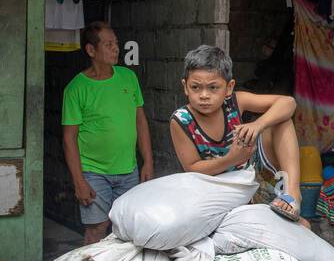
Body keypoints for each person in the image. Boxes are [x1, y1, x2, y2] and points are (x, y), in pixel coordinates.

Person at [170, 45, 306, 224]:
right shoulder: (181, 120)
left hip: (250, 182)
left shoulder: (235, 101)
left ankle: (292, 192)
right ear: (185, 87)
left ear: (228, 87)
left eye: (213, 88)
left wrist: (258, 125)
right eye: (196, 87)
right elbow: (192, 168)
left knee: (281, 119)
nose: (204, 95)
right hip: (215, 192)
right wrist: (231, 159)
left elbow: (288, 103)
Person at [62, 21, 153, 244]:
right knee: (97, 227)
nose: (116, 49)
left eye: (116, 44)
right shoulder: (76, 88)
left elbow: (140, 121)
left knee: (127, 228)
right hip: (93, 172)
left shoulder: (128, 78)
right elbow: (69, 138)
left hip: (128, 169)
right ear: (91, 50)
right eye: (109, 44)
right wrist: (79, 181)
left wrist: (148, 162)